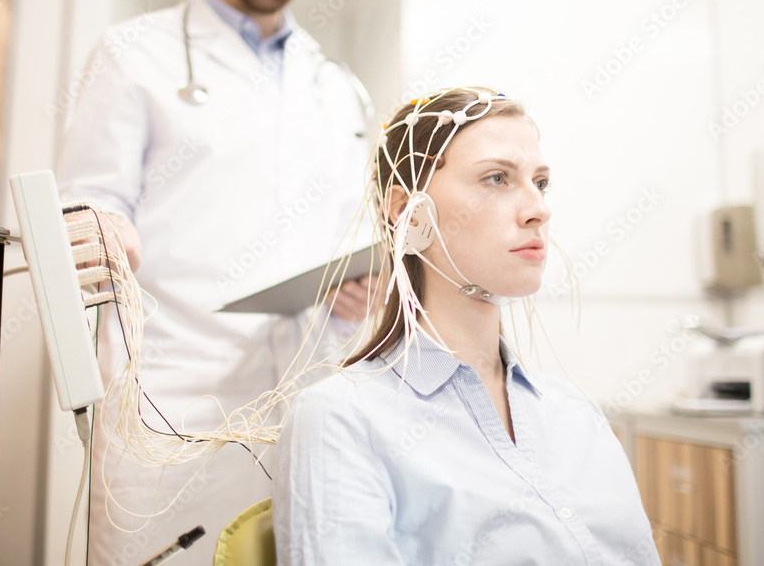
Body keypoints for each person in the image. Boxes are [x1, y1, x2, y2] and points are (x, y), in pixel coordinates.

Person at [55, 0, 375, 562]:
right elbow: (84, 205)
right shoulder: (134, 54)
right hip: (169, 405)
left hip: (305, 403)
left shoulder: (340, 90)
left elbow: (349, 232)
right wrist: (99, 226)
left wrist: (358, 284)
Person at [273, 87, 661, 565]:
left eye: (540, 182)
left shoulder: (576, 414)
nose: (538, 208)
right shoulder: (342, 419)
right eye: (497, 178)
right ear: (405, 211)